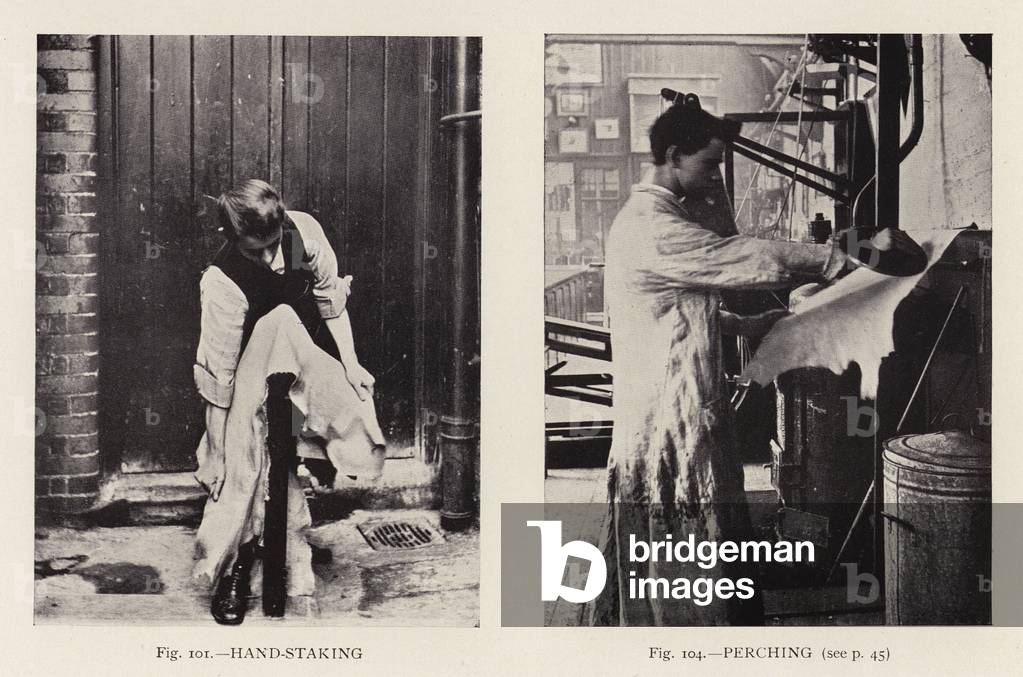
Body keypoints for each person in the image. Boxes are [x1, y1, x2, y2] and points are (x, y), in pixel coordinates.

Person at [589, 93, 851, 626]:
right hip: (670, 405)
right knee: (683, 531)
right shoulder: (653, 225)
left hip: (665, 393)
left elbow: (671, 308)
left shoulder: (655, 216)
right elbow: (739, 255)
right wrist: (837, 258)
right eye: (709, 165)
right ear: (673, 156)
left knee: (679, 531)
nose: (714, 178)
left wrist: (743, 325)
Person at [191, 179, 383, 624]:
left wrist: (351, 363)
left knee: (299, 445)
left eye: (272, 246)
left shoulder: (302, 234)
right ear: (230, 237)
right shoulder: (222, 281)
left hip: (301, 368)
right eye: (253, 250)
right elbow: (219, 377)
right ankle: (238, 565)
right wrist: (217, 450)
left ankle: (287, 545)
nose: (267, 260)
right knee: (243, 464)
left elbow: (331, 303)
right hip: (249, 376)